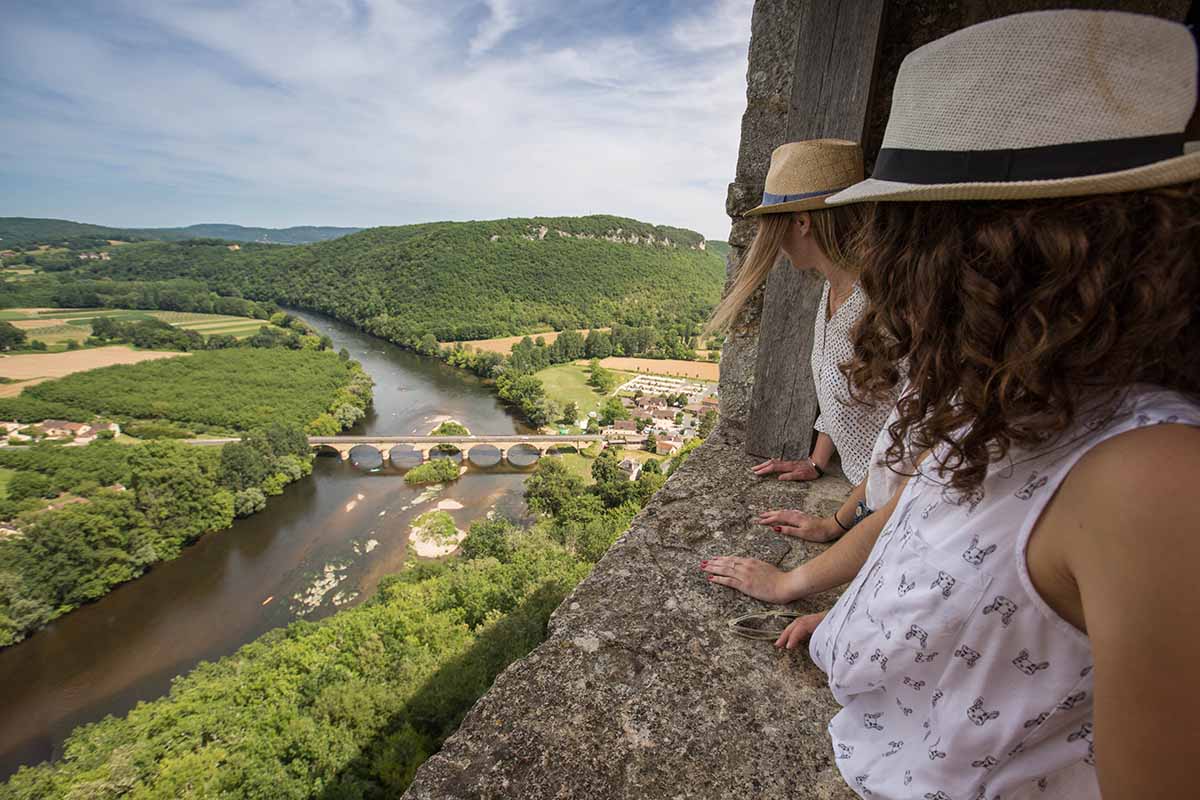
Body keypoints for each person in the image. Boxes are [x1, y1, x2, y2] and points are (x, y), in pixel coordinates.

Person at [711, 10, 1200, 799]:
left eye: (894, 238)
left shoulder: (1155, 484)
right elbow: (919, 525)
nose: (879, 263)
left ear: (965, 257)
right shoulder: (1005, 403)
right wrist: (833, 616)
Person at [707, 139, 898, 511]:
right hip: (866, 493)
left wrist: (840, 521)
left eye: (775, 229)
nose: (775, 246)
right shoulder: (832, 290)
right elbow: (841, 388)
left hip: (886, 504)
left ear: (801, 222)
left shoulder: (880, 309)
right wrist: (816, 461)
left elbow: (906, 447)